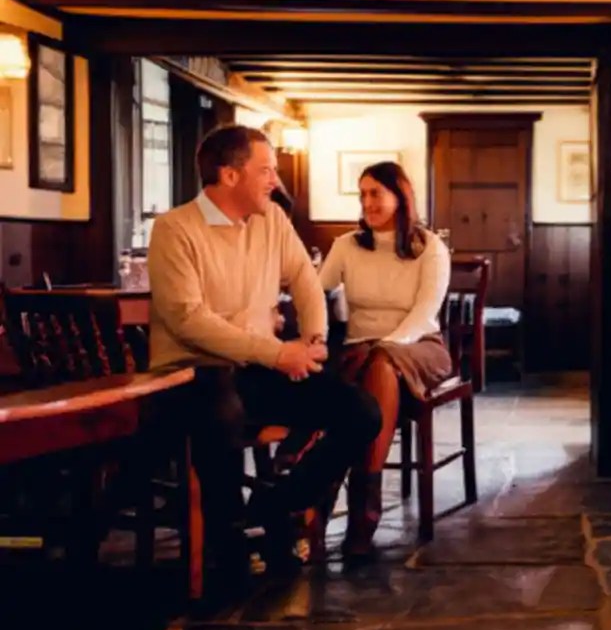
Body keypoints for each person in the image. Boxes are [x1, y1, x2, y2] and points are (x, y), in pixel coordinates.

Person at [147, 125, 381, 587]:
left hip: (256, 369)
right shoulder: (174, 229)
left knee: (360, 411)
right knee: (221, 406)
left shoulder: (271, 218)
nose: (276, 180)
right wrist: (276, 353)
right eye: (266, 170)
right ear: (229, 175)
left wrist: (314, 337)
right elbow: (188, 319)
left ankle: (277, 503)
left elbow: (304, 278)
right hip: (190, 374)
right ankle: (227, 540)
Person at [318, 161, 452, 559]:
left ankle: (359, 509)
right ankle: (341, 508)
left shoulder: (429, 246)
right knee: (366, 368)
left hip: (420, 346)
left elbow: (424, 313)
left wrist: (383, 346)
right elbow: (316, 291)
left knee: (378, 362)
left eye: (376, 193)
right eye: (362, 194)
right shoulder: (347, 245)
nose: (367, 202)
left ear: (400, 195)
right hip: (360, 350)